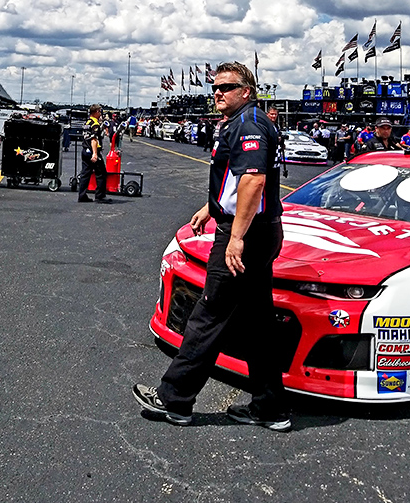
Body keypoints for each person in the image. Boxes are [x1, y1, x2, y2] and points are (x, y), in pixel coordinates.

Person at [132, 62, 289, 432]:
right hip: (259, 230)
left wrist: (235, 237)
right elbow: (236, 180)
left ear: (246, 91)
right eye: (215, 87)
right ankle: (270, 407)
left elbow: (253, 181)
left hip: (247, 234)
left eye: (226, 87)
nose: (217, 92)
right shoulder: (243, 120)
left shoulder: (249, 123)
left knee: (210, 313)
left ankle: (174, 399)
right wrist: (211, 207)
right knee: (258, 322)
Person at [78, 104, 112, 204]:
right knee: (101, 173)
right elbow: (94, 139)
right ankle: (100, 196)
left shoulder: (87, 122)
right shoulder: (95, 124)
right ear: (96, 111)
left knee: (85, 174)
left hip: (85, 150)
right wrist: (95, 154)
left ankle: (82, 195)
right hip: (92, 151)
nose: (101, 113)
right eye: (100, 111)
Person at [267, 107, 287, 178]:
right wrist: (275, 139)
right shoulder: (266, 125)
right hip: (269, 158)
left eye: (275, 114)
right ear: (267, 114)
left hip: (277, 157)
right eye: (272, 114)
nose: (274, 116)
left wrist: (281, 142)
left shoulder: (276, 126)